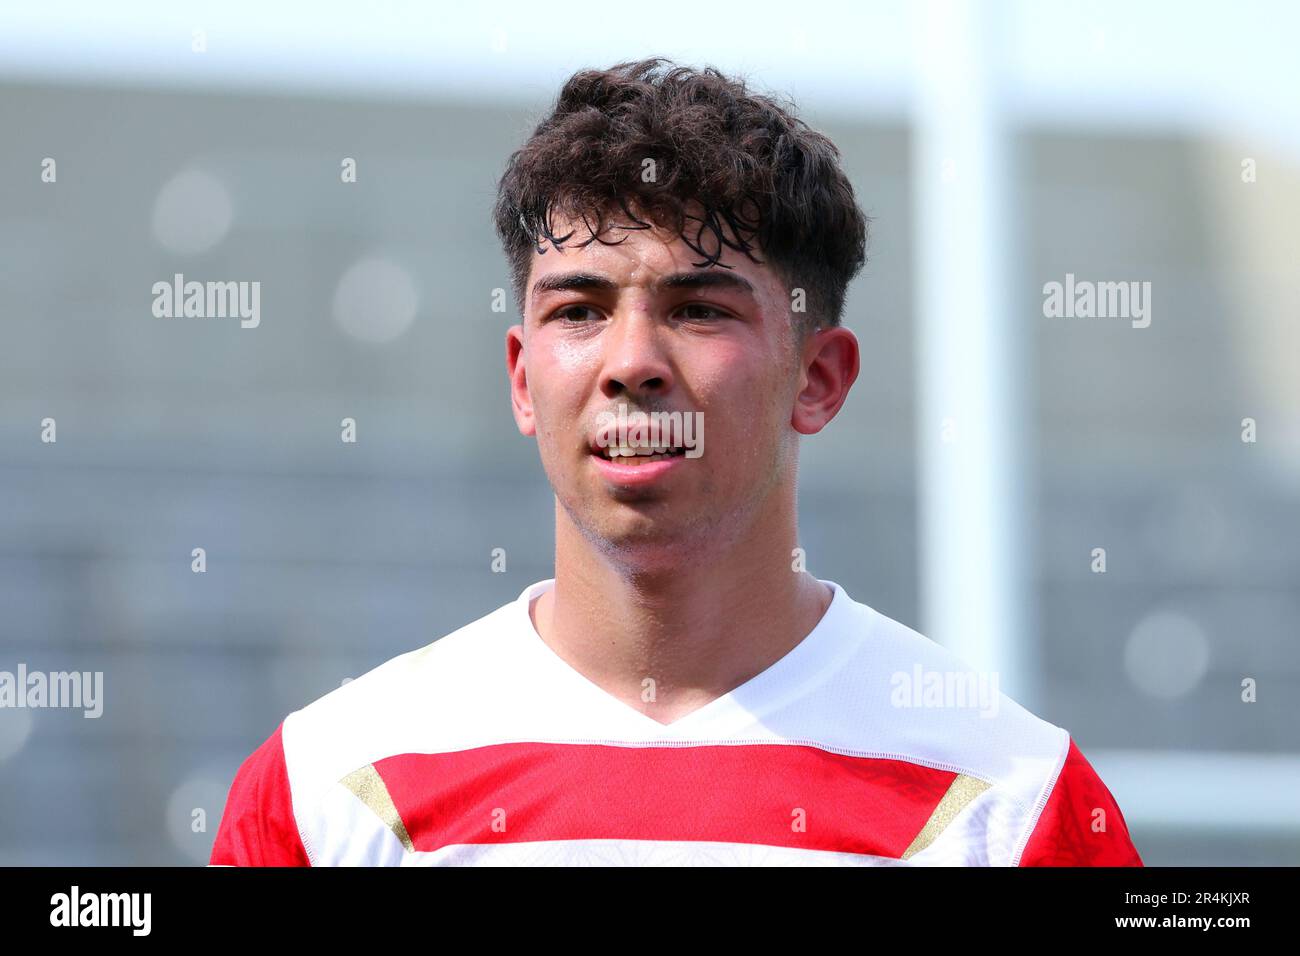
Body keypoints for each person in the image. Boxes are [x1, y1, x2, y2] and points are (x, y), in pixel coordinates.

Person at [209, 57, 1142, 867]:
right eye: (578, 310)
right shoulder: (324, 796)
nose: (630, 364)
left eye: (699, 309)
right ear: (523, 380)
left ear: (818, 378)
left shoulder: (1008, 806)